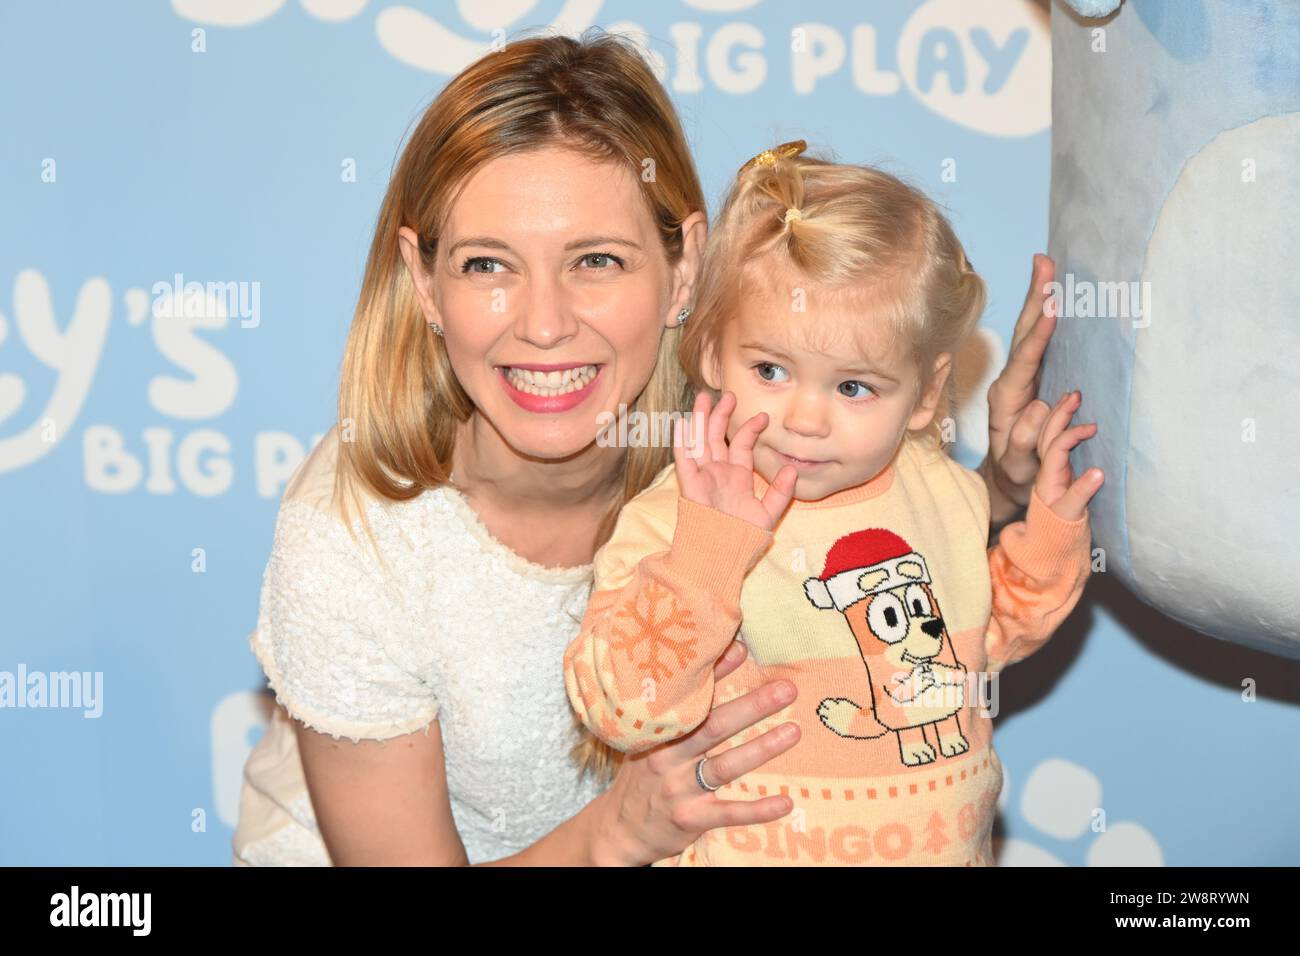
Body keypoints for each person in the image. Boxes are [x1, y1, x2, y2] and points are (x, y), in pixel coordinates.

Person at [232, 32, 1068, 866]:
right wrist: (618, 832)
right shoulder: (353, 538)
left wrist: (1001, 482)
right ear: (424, 282)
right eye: (489, 265)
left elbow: (865, 543)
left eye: (596, 260)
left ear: (684, 266)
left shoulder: (753, 421)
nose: (546, 324)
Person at [563, 143, 1102, 866]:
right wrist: (709, 553)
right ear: (713, 355)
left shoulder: (939, 488)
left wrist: (1051, 536)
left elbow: (983, 640)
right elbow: (619, 707)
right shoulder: (675, 520)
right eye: (771, 370)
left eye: (853, 386)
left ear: (927, 393)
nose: (806, 420)